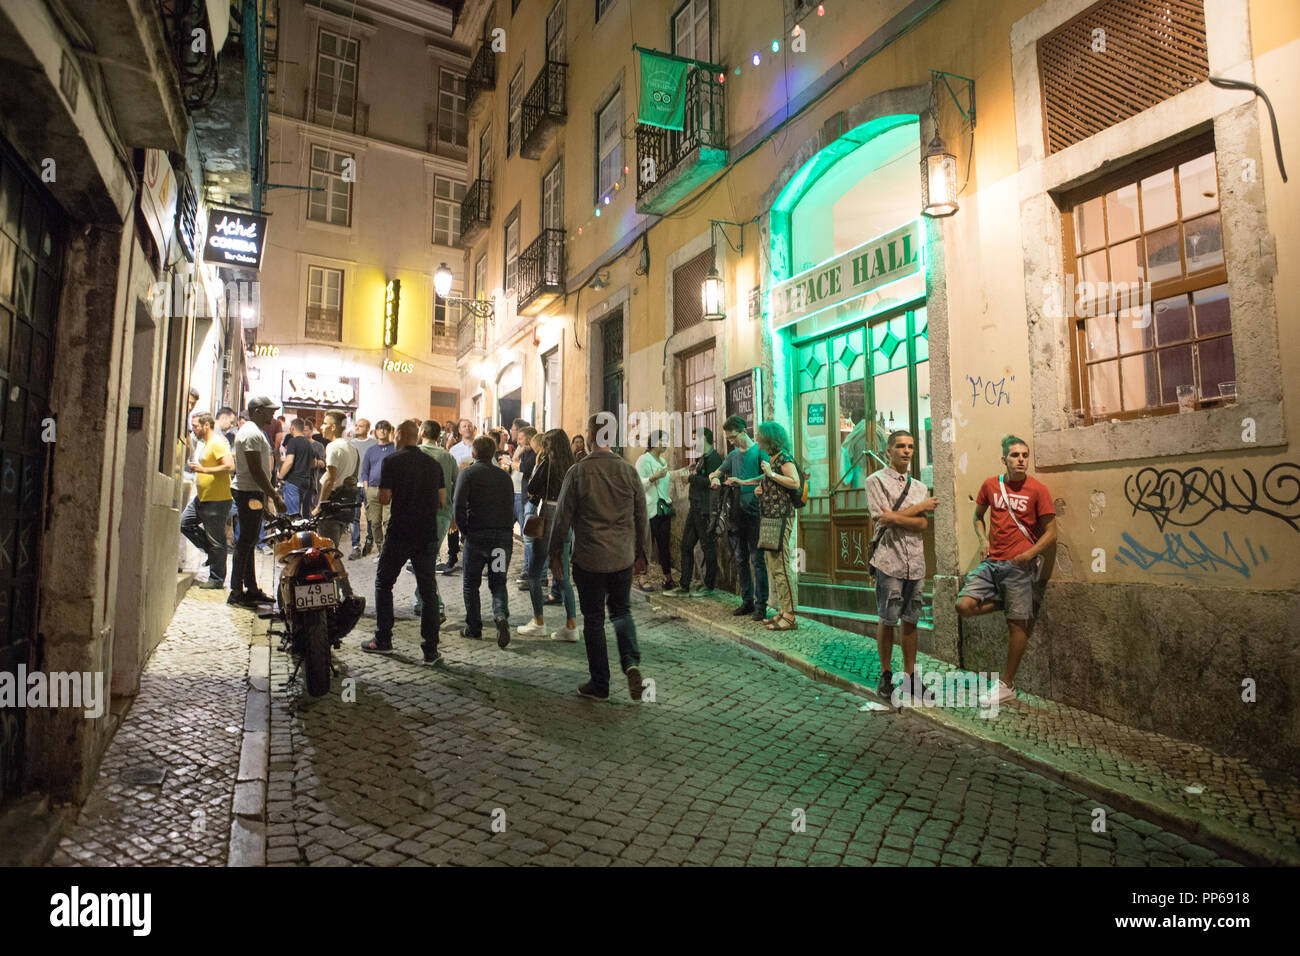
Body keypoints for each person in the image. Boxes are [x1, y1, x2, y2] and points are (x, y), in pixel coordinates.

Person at [549, 413, 648, 701]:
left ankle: (600, 684)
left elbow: (562, 518)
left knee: (593, 619)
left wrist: (555, 554)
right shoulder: (628, 471)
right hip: (621, 557)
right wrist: (642, 553)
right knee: (621, 611)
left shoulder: (578, 472)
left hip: (590, 558)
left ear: (591, 436)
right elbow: (641, 515)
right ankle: (630, 662)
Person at [956, 435, 1057, 707]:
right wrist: (983, 541)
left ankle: (1007, 685)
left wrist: (1029, 554)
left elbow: (1051, 533)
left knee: (1017, 626)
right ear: (1004, 459)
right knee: (963, 606)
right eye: (1015, 455)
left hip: (1018, 566)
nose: (1021, 460)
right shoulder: (991, 485)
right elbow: (977, 516)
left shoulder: (1038, 490)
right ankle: (1006, 603)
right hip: (991, 564)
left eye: (1025, 455)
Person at [360, 420, 445, 664]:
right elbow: (441, 500)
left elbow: (385, 499)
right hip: (426, 533)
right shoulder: (433, 464)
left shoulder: (392, 462)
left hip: (400, 532)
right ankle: (431, 650)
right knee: (429, 592)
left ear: (398, 435)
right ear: (416, 437)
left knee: (384, 583)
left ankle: (383, 638)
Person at [866, 429, 938, 701]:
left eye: (910, 447)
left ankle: (910, 678)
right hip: (889, 560)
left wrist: (897, 517)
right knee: (888, 619)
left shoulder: (919, 487)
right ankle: (886, 675)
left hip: (916, 562)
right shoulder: (875, 481)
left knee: (911, 619)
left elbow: (923, 524)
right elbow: (881, 519)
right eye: (901, 447)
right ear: (889, 451)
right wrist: (917, 510)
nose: (907, 451)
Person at [453, 434, 516, 647]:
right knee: (498, 582)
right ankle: (500, 616)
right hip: (500, 540)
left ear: (473, 453)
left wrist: (465, 532)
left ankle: (474, 627)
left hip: (477, 538)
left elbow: (458, 506)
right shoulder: (503, 476)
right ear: (493, 453)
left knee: (471, 583)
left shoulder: (468, 474)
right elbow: (511, 506)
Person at [517, 428, 579, 640]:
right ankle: (571, 625)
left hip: (550, 514)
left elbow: (533, 487)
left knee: (534, 572)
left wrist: (539, 464)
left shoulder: (548, 461)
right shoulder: (573, 466)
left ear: (549, 445)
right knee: (561, 572)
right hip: (567, 518)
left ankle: (538, 622)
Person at [709, 416, 770, 622]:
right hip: (735, 514)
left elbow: (767, 476)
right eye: (728, 439)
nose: (731, 442)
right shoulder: (733, 456)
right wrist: (716, 478)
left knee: (757, 559)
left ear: (744, 431)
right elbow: (715, 473)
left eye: (733, 437)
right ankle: (747, 602)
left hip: (755, 513)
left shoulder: (760, 452)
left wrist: (742, 481)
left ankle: (761, 605)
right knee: (741, 559)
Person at [230, 396, 285, 607]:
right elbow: (256, 470)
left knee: (249, 541)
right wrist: (274, 497)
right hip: (248, 492)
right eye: (269, 410)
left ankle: (250, 589)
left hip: (251, 493)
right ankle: (236, 591)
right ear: (258, 410)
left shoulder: (254, 432)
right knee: (245, 543)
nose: (273, 414)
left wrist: (264, 504)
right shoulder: (251, 433)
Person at [749, 421, 801, 631]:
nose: (757, 439)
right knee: (773, 565)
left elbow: (794, 482)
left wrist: (771, 475)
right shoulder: (772, 459)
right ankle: (782, 610)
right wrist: (761, 489)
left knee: (780, 565)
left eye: (759, 436)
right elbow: (774, 484)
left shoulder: (784, 457)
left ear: (769, 438)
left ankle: (790, 616)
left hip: (781, 517)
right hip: (770, 517)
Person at [665, 426, 723, 596]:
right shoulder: (702, 458)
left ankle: (709, 585)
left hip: (705, 510)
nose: (693, 443)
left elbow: (712, 482)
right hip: (695, 507)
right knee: (686, 546)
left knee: (708, 546)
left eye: (695, 439)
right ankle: (684, 585)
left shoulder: (714, 459)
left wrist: (690, 478)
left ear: (703, 438)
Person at [180, 412, 234, 590]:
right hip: (203, 497)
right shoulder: (205, 444)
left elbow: (229, 466)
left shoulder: (217, 443)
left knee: (216, 540)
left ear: (206, 426)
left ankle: (217, 578)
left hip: (217, 499)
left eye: (196, 426)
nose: (193, 429)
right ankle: (211, 552)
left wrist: (203, 470)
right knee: (185, 523)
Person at [412, 420, 457, 623]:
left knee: (424, 560)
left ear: (422, 432)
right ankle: (422, 601)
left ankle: (435, 605)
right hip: (443, 513)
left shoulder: (414, 454)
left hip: (419, 513)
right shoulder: (447, 456)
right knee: (425, 559)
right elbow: (456, 485)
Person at [313, 410, 361, 562]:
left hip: (332, 506)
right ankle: (343, 586)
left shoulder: (333, 447)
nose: (322, 427)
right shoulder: (352, 448)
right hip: (345, 506)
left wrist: (319, 505)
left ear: (333, 427)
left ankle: (340, 585)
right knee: (332, 551)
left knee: (328, 554)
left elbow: (330, 479)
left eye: (325, 423)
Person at [635, 432, 675, 592]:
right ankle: (642, 577)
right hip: (649, 509)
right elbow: (637, 483)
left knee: (664, 545)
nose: (665, 443)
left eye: (667, 440)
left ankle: (668, 577)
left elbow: (666, 483)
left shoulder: (663, 461)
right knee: (646, 545)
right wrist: (652, 478)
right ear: (653, 442)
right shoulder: (643, 460)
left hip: (663, 509)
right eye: (662, 440)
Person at [441, 418, 477, 574]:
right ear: (460, 430)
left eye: (470, 426)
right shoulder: (454, 450)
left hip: (476, 491)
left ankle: (472, 556)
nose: (468, 428)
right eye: (464, 426)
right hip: (458, 488)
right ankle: (452, 555)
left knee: (473, 522)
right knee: (453, 522)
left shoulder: (479, 446)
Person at [359, 420, 395, 555]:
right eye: (379, 428)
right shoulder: (371, 450)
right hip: (373, 490)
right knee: (374, 522)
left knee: (388, 521)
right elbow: (365, 471)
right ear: (375, 431)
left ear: (390, 431)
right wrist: (366, 488)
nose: (382, 431)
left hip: (390, 490)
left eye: (385, 428)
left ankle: (388, 550)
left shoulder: (395, 449)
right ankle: (381, 549)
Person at [348, 418, 377, 559]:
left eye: (361, 426)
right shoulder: (350, 444)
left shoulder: (374, 444)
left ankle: (370, 539)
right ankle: (355, 545)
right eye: (357, 426)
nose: (357, 428)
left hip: (368, 485)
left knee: (371, 515)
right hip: (353, 485)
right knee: (354, 517)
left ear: (367, 428)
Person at [277, 418, 315, 516]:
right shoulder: (309, 444)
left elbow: (289, 462)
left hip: (293, 482)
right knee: (298, 511)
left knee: (292, 515)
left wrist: (280, 476)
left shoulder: (293, 441)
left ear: (293, 428)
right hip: (306, 482)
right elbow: (313, 463)